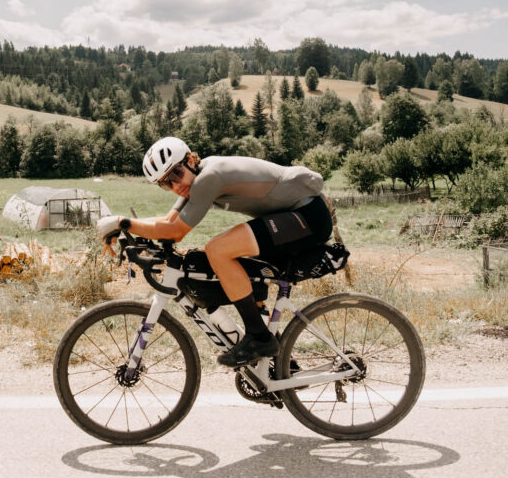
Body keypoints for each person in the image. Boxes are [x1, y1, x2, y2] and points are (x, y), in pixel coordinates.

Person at [97, 136, 333, 367]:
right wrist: (128, 231)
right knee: (243, 272)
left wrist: (121, 221)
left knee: (218, 250)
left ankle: (259, 339)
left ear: (190, 159)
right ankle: (280, 366)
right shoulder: (195, 181)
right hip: (289, 219)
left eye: (176, 174)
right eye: (165, 184)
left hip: (308, 215)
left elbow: (175, 231)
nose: (175, 186)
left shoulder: (209, 177)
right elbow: (169, 221)